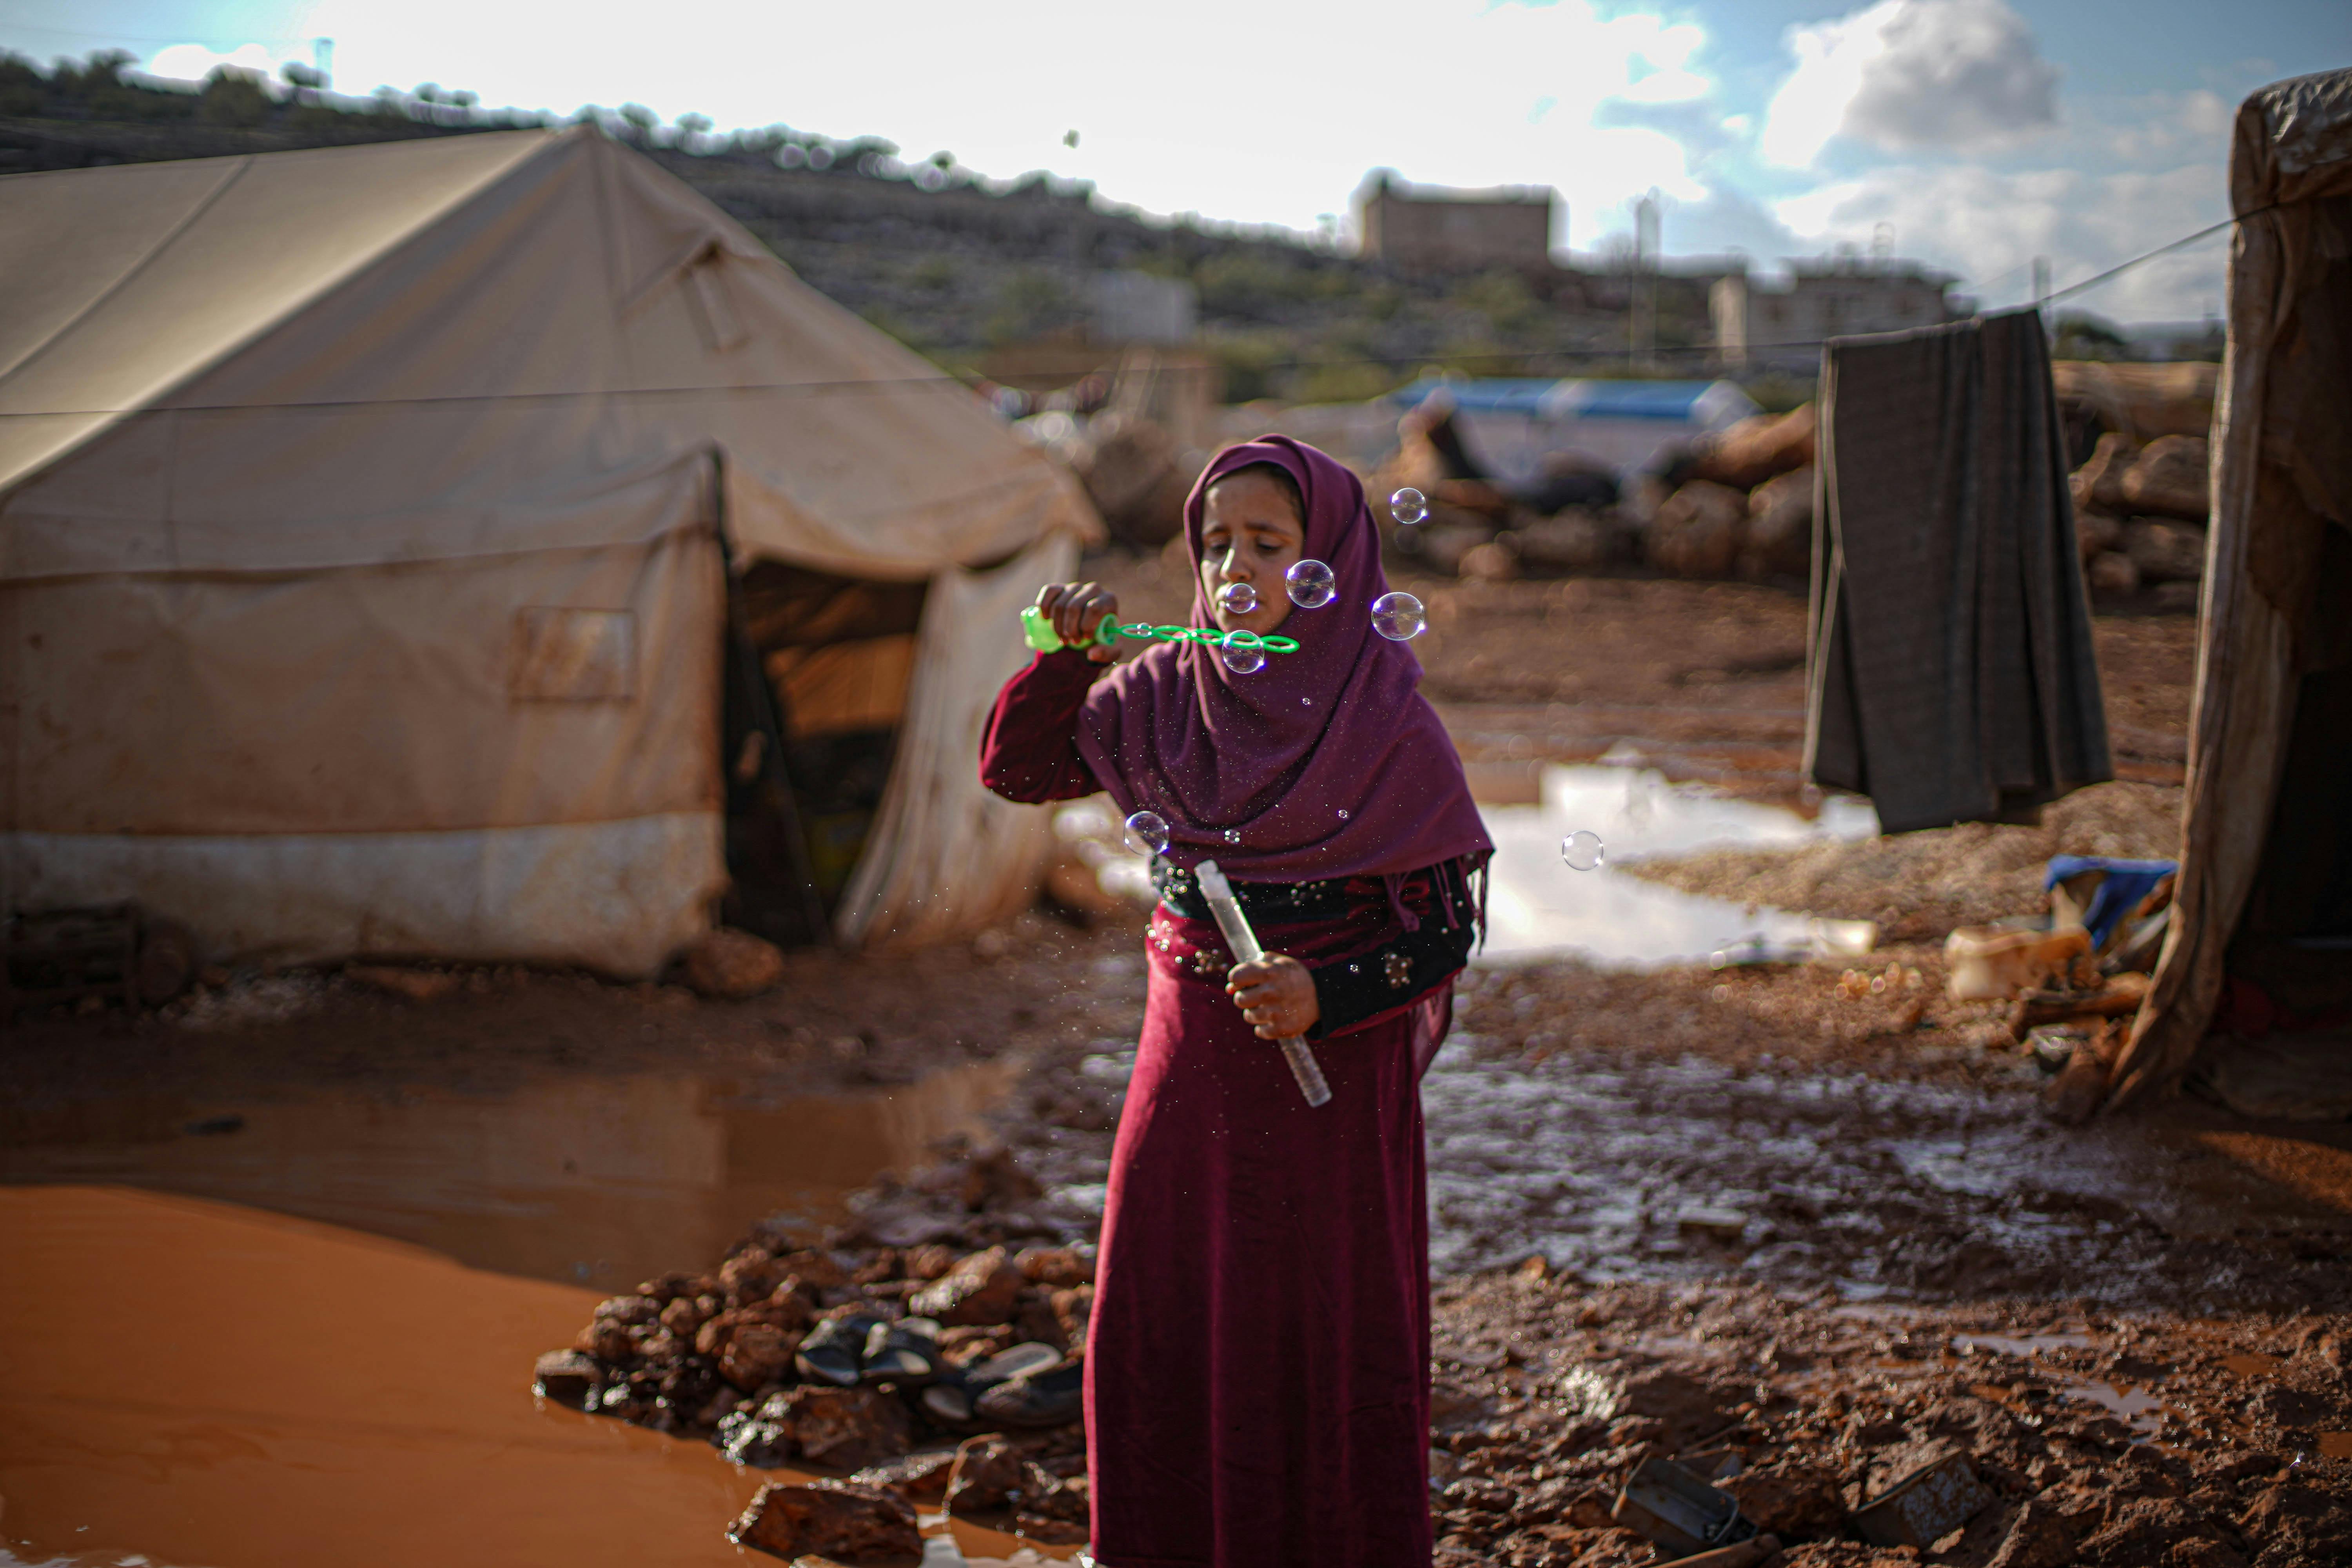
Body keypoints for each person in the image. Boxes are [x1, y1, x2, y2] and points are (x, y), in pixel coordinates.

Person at [978, 437, 1492, 1568]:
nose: (1235, 570)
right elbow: (1019, 771)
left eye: (1269, 545)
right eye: (1215, 545)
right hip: (1189, 1061)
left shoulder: (1386, 721)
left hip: (1328, 1082)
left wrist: (1327, 994)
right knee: (1169, 1298)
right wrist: (1063, 663)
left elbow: (1444, 933)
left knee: (1317, 1312)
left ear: (1333, 562)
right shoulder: (1165, 691)